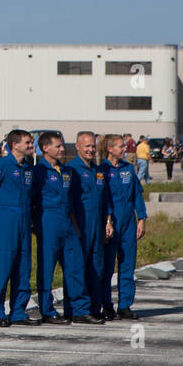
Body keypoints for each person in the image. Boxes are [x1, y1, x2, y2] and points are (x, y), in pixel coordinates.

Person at [32, 131, 99, 324]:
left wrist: (75, 227)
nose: (62, 149)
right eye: (58, 146)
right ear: (45, 148)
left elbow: (71, 201)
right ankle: (47, 310)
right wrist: (34, 226)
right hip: (48, 225)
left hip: (68, 225)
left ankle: (79, 310)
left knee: (75, 266)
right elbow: (31, 201)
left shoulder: (67, 172)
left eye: (62, 146)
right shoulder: (38, 172)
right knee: (46, 270)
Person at [0, 129, 35, 326]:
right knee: (2, 268)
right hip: (5, 224)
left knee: (23, 268)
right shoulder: (1, 166)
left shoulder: (28, 168)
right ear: (15, 145)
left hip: (24, 224)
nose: (31, 146)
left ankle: (18, 312)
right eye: (28, 142)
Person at [66, 131, 115, 320]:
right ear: (77, 147)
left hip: (97, 226)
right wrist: (74, 227)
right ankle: (77, 310)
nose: (91, 150)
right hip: (80, 227)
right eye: (87, 146)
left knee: (97, 266)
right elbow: (67, 201)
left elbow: (105, 199)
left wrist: (108, 222)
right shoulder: (71, 170)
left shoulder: (99, 171)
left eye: (93, 146)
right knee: (77, 269)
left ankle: (94, 308)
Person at [100, 133, 146, 319]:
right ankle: (106, 305)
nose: (125, 149)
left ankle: (125, 305)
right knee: (108, 267)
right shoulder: (102, 169)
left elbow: (137, 194)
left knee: (127, 265)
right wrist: (107, 221)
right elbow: (102, 198)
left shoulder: (128, 168)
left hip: (128, 223)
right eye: (121, 146)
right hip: (111, 223)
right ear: (110, 149)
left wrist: (141, 219)